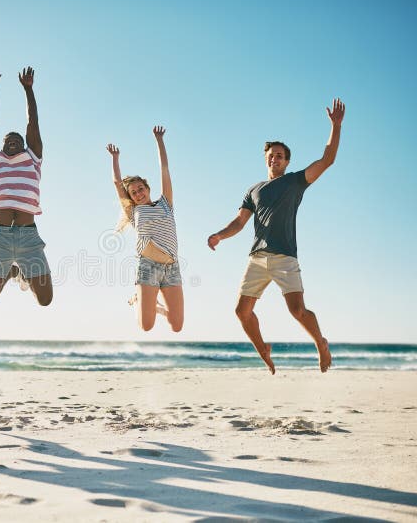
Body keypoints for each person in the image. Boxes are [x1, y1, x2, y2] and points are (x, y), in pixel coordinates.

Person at [207, 98, 346, 374]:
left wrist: (336, 126)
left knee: (298, 311)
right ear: (266, 158)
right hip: (257, 259)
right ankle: (263, 349)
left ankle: (321, 343)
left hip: (285, 257)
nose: (275, 158)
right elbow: (239, 221)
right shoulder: (254, 190)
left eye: (280, 155)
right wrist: (220, 236)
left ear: (287, 161)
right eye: (271, 154)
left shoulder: (296, 181)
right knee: (241, 311)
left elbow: (328, 159)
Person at [0, 67, 52, 306]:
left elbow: (33, 122)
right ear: (1, 146)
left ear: (24, 145)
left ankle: (22, 273)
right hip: (0, 236)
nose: (12, 143)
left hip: (29, 237)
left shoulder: (33, 157)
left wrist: (28, 89)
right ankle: (11, 271)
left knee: (45, 300)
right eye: (8, 142)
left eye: (17, 141)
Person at [106, 126, 184, 332]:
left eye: (141, 188)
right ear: (131, 197)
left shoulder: (165, 203)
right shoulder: (134, 212)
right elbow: (117, 183)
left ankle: (153, 306)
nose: (138, 193)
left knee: (177, 325)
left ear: (148, 189)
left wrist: (159, 140)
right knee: (146, 326)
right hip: (148, 266)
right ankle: (137, 298)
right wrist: (115, 158)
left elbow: (164, 169)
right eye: (133, 192)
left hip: (171, 267)